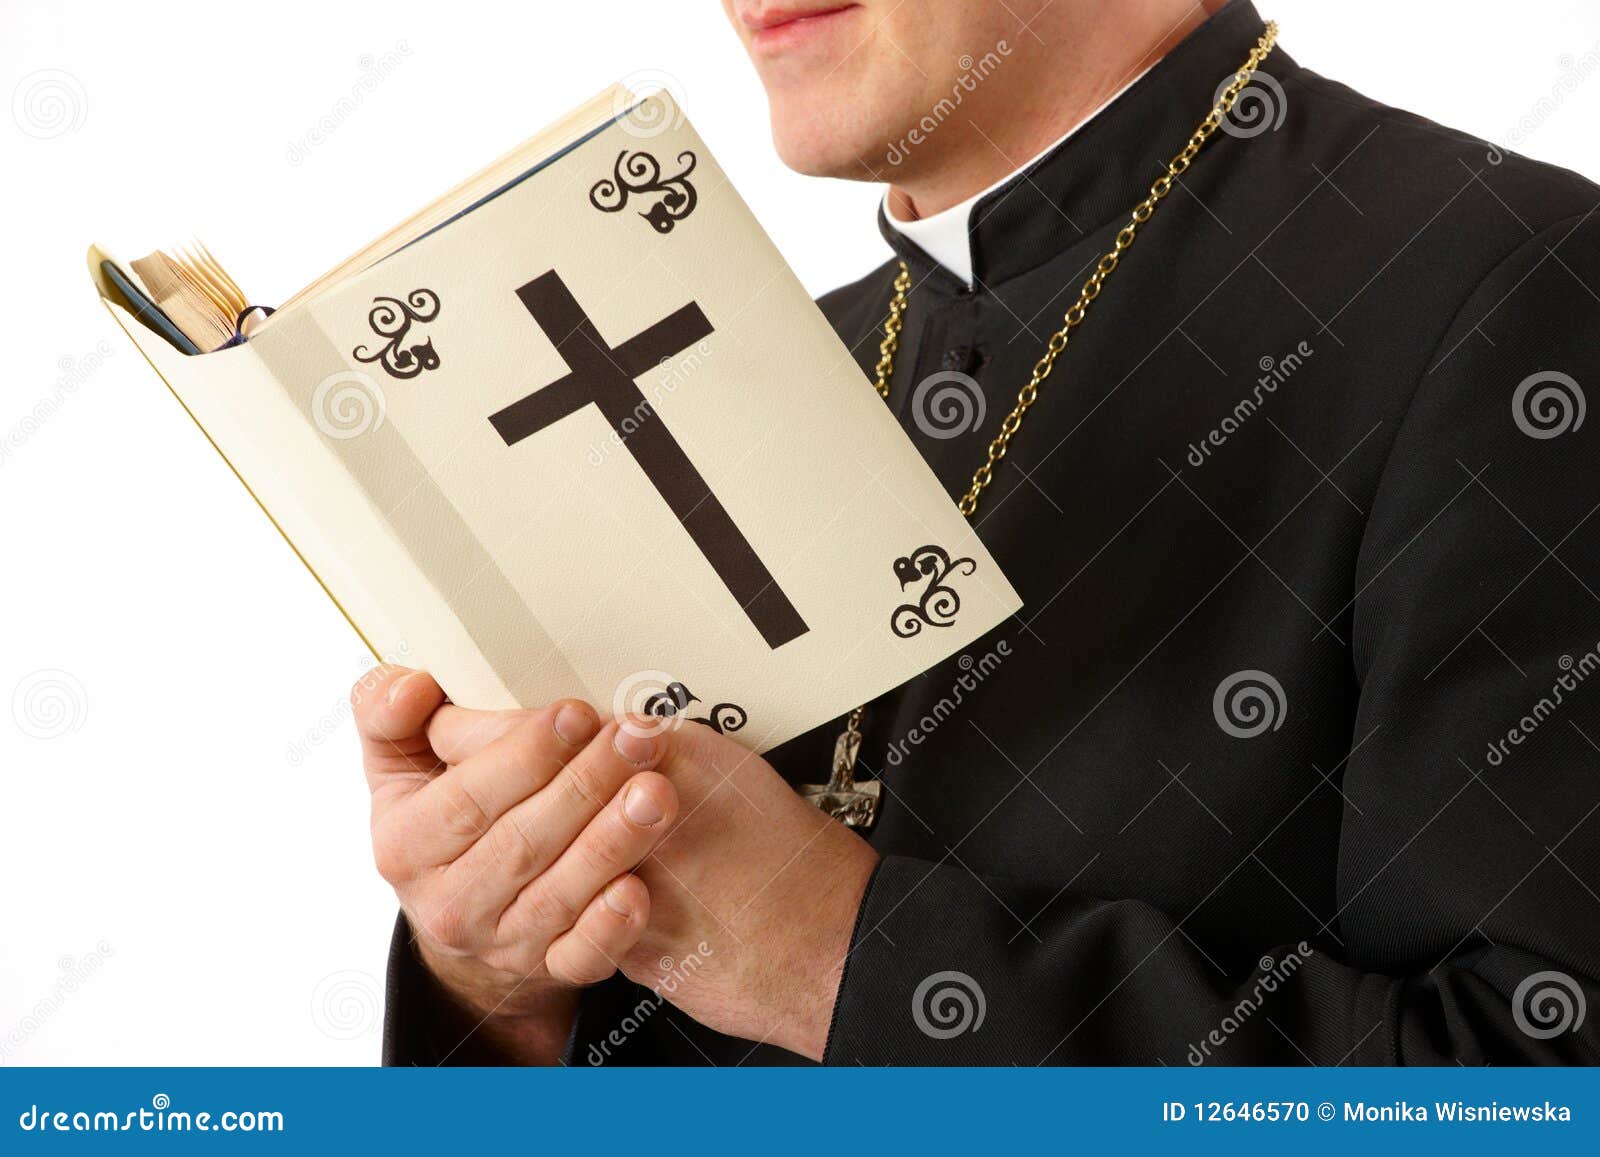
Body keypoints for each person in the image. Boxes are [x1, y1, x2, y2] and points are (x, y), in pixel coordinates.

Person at [361, 0, 1600, 1064]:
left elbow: (1538, 1078)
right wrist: (510, 981)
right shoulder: (774, 359)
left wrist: (836, 956)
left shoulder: (1521, 284)